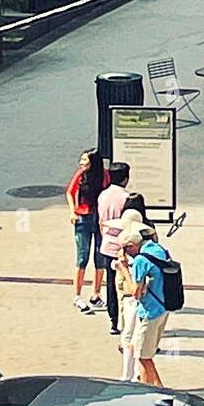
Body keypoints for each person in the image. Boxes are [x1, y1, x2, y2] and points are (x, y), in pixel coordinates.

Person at [125, 222, 170, 386]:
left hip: (149, 311)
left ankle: (146, 392)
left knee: (142, 357)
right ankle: (161, 388)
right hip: (163, 307)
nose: (125, 254)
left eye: (125, 249)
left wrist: (124, 269)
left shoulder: (140, 261)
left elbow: (135, 292)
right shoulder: (158, 250)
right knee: (147, 356)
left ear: (132, 245)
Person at [66, 148, 108, 311]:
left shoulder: (104, 175)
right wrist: (72, 211)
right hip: (83, 217)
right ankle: (77, 295)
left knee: (100, 256)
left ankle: (96, 294)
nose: (81, 163)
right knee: (82, 257)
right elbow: (70, 192)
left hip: (99, 218)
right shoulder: (80, 175)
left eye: (84, 160)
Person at [112, 203, 148, 381]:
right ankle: (134, 374)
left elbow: (134, 284)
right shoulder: (140, 244)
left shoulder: (137, 255)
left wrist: (123, 266)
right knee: (132, 335)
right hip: (128, 298)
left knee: (128, 337)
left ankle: (130, 376)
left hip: (133, 298)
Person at [96, 162, 131, 337]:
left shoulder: (103, 195)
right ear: (126, 179)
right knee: (126, 284)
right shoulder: (127, 198)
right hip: (122, 247)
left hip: (107, 244)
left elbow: (101, 220)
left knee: (110, 284)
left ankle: (113, 320)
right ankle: (126, 322)